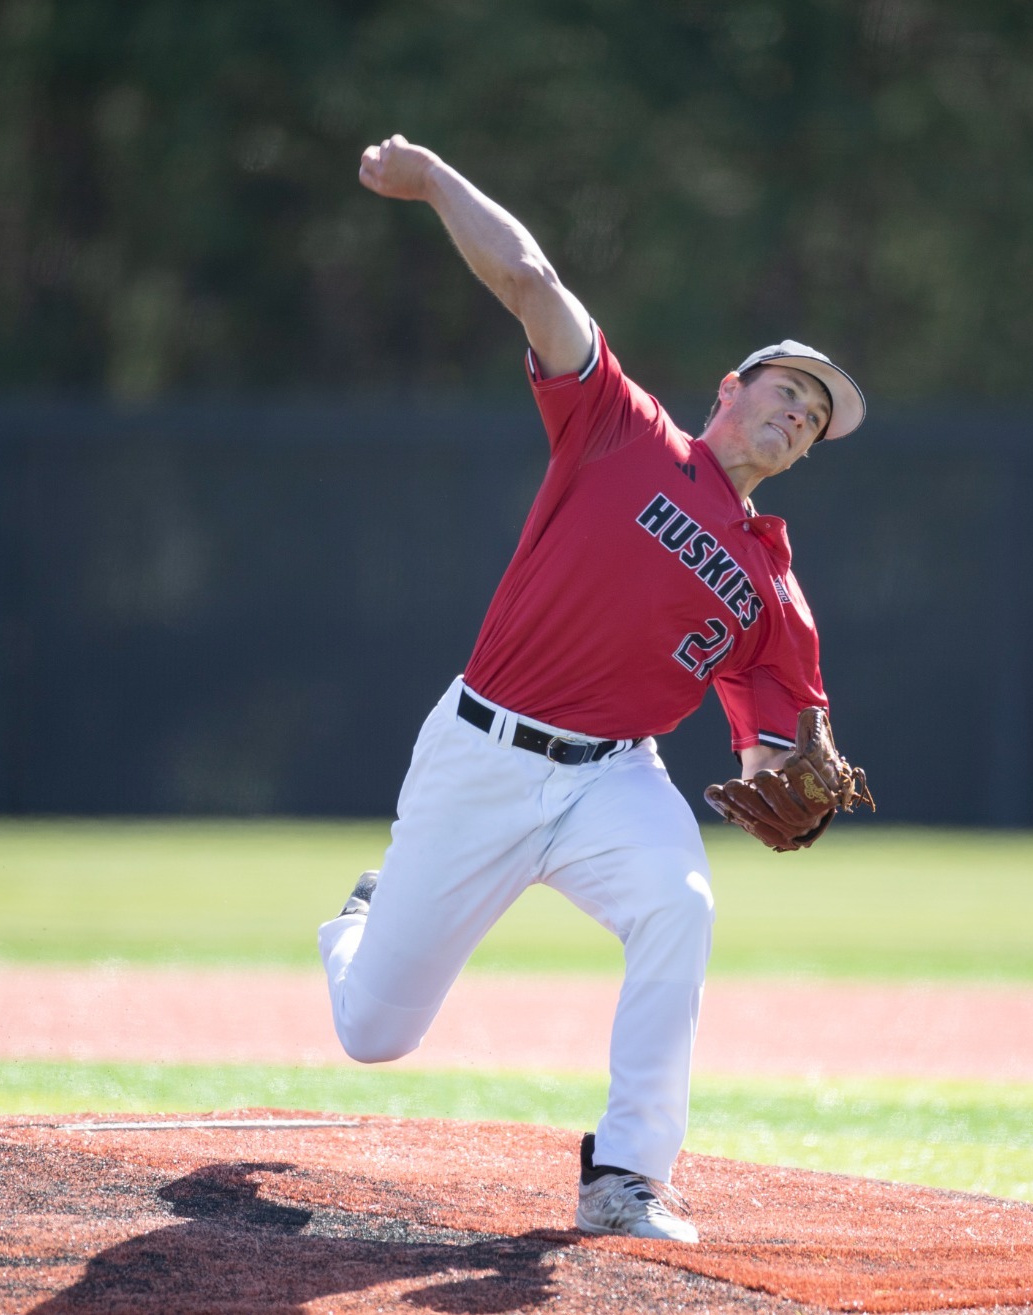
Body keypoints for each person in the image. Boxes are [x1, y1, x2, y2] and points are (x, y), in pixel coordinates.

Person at [319, 135, 869, 1243]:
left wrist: (786, 774)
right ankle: (361, 920)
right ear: (731, 388)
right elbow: (530, 281)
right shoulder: (622, 428)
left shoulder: (774, 589)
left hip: (611, 779)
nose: (797, 415)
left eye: (814, 418)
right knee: (375, 1033)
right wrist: (430, 183)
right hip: (481, 751)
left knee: (681, 904)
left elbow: (774, 745)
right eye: (786, 390)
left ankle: (625, 1173)